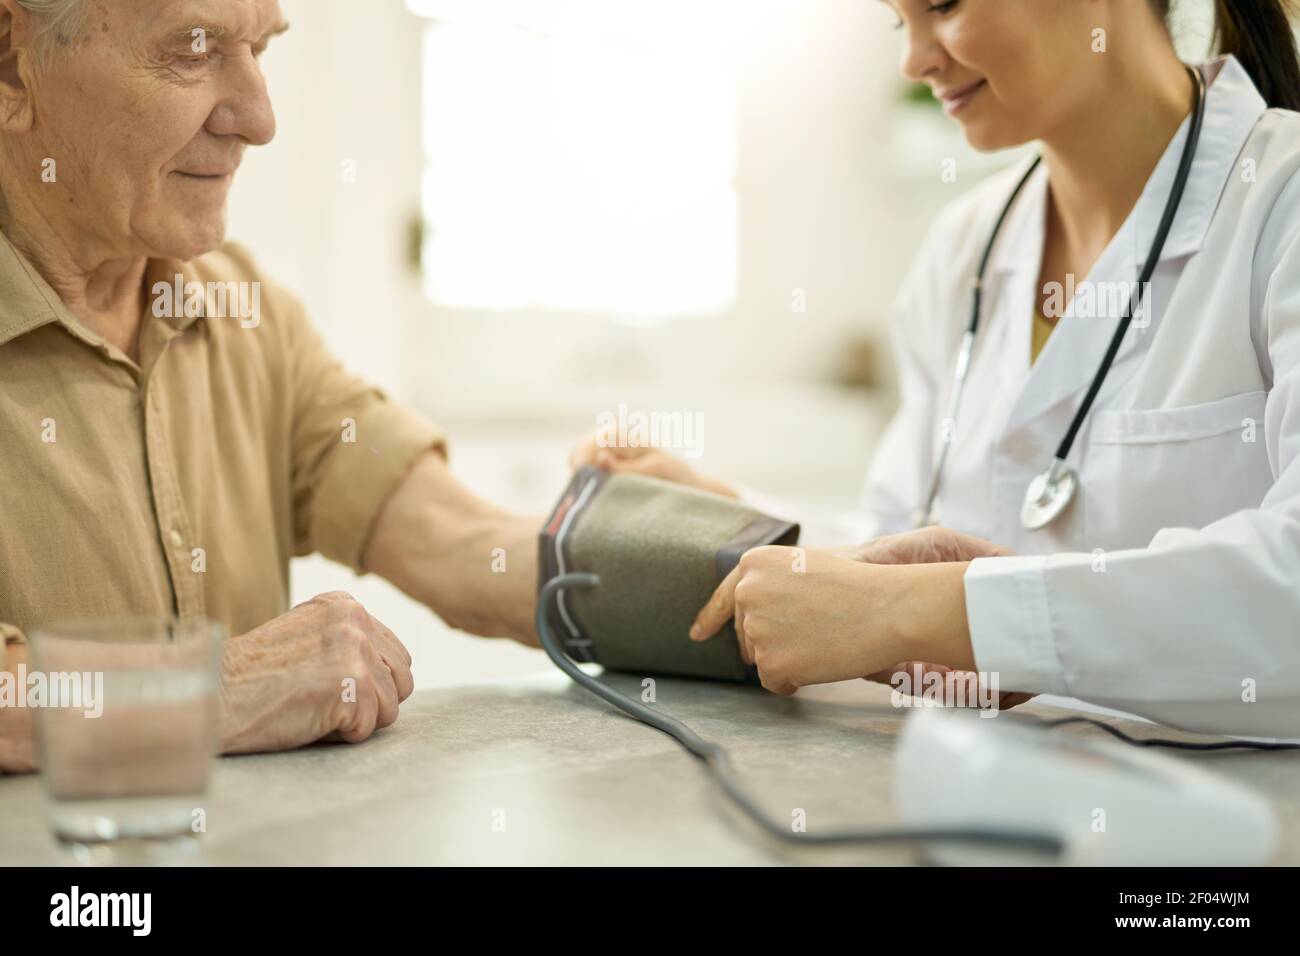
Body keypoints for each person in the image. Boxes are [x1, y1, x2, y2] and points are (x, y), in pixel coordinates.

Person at [572, 0, 1300, 738]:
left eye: (943, 6)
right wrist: (723, 515)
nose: (914, 61)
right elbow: (898, 542)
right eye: (898, 22)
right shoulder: (963, 251)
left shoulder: (1282, 200)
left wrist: (934, 612)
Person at [0, 0, 541, 772]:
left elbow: (462, 545)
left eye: (261, 50)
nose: (258, 119)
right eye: (193, 51)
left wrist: (737, 570)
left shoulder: (241, 308)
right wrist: (216, 690)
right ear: (12, 64)